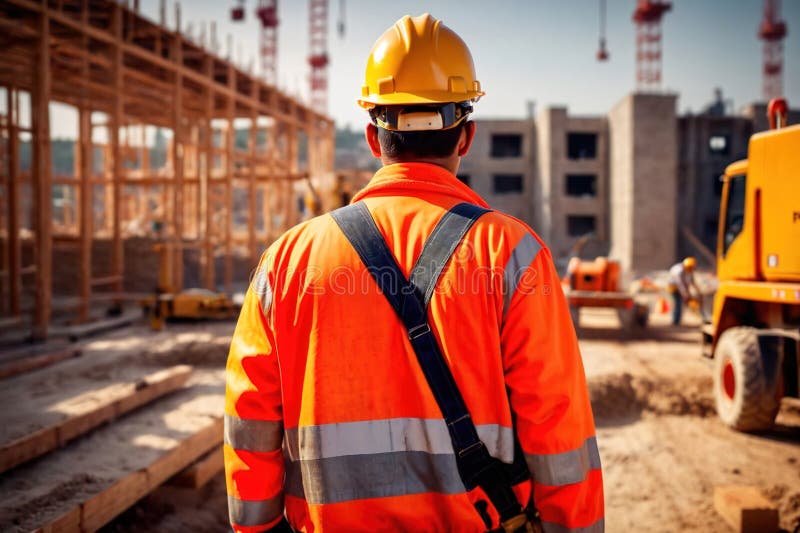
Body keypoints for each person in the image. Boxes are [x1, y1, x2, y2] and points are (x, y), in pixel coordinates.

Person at [225, 13, 603, 533]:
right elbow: (557, 426)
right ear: (466, 137)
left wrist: (257, 529)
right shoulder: (514, 256)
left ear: (372, 136)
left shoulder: (286, 261)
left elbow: (250, 422)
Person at [667, 256, 700, 325]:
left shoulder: (689, 269)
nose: (691, 269)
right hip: (674, 288)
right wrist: (685, 294)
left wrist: (698, 291)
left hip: (683, 287)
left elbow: (692, 281)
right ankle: (675, 321)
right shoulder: (678, 271)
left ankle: (678, 319)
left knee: (682, 303)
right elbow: (680, 284)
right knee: (677, 303)